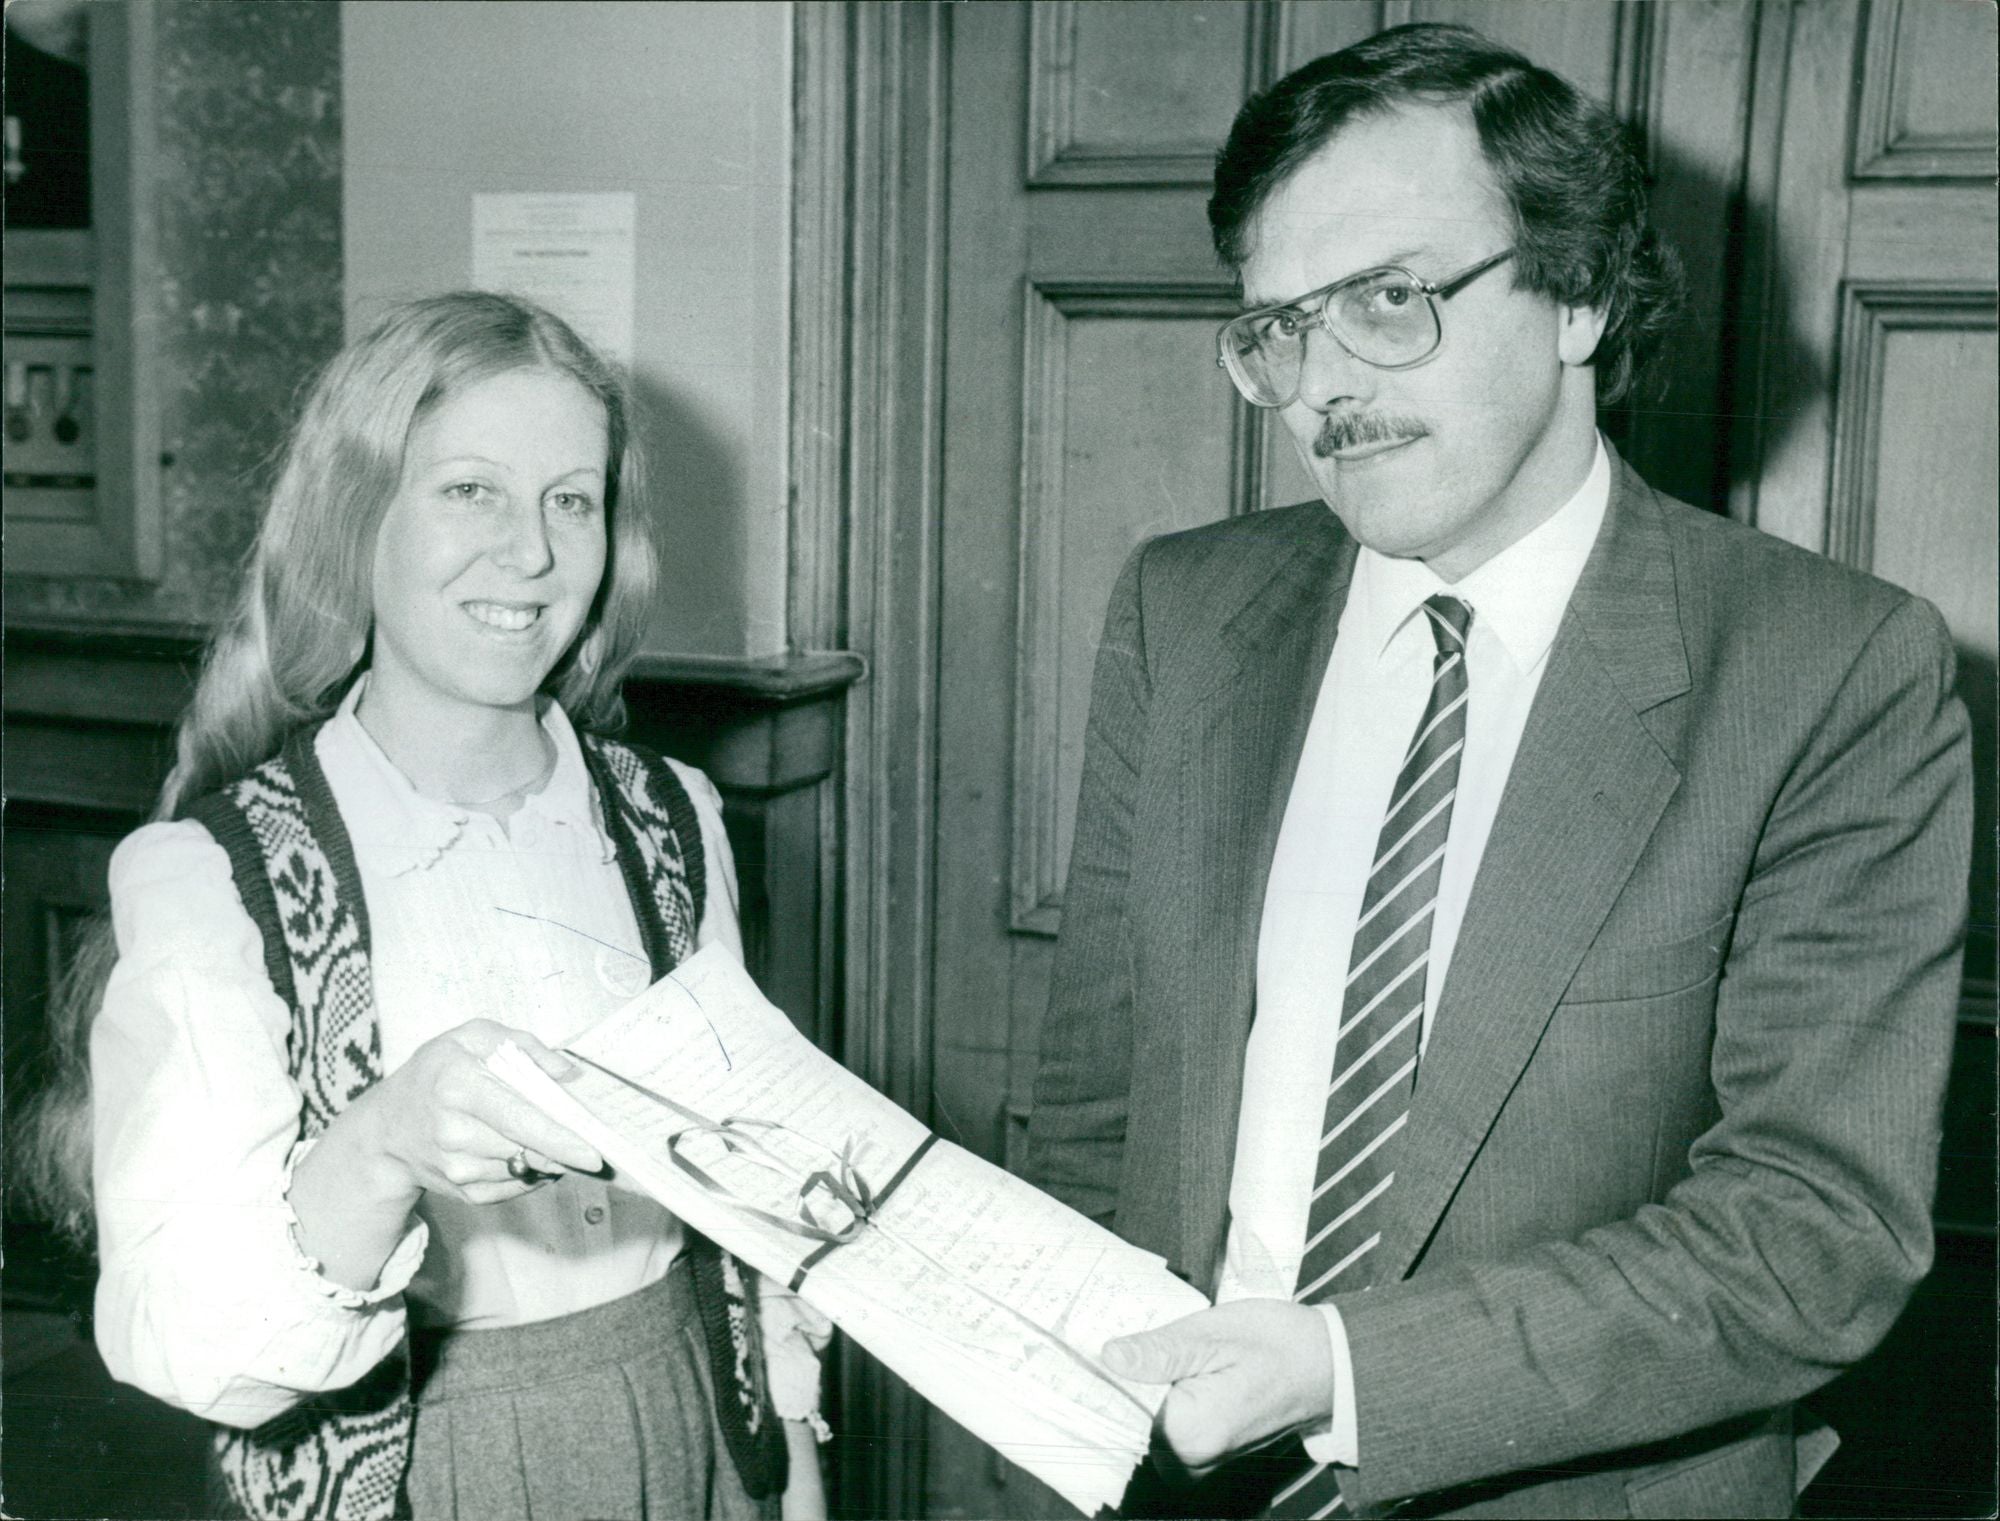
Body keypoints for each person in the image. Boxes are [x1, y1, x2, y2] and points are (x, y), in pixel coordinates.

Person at [1025, 24, 1972, 1520]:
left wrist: (1343, 1368)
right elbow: (1091, 1106)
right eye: (1276, 327)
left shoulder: (1831, 671)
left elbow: (1814, 1232)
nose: (1323, 382)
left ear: (1580, 291)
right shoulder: (1185, 610)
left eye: (1390, 299)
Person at [19, 292, 829, 1521]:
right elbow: (193, 1348)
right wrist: (386, 1141)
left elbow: (750, 1199)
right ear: (356, 520)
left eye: (572, 499)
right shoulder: (214, 876)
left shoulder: (676, 816)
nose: (533, 554)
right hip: (418, 1469)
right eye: (470, 491)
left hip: (700, 1435)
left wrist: (790, 1463)